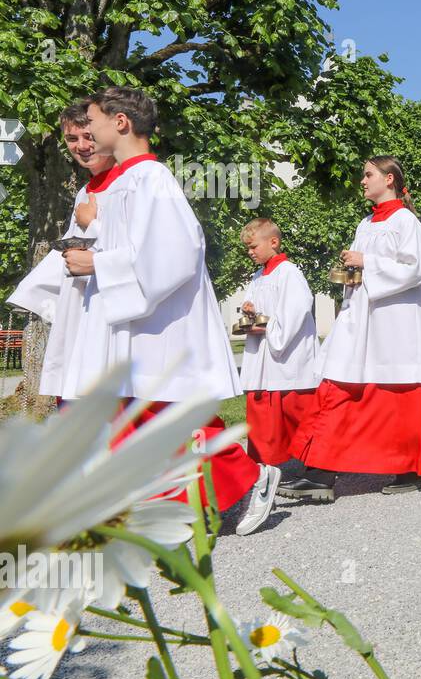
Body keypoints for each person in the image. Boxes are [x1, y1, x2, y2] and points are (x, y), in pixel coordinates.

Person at [65, 87, 277, 535]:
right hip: (128, 323)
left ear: (120, 123)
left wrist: (98, 261)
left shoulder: (151, 179)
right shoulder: (122, 181)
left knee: (165, 416)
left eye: (94, 121)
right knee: (134, 421)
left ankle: (250, 478)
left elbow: (177, 255)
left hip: (160, 326)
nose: (88, 130)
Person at [282, 157, 421, 501]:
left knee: (399, 401)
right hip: (360, 322)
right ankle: (320, 472)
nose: (363, 181)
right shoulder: (365, 223)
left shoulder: (406, 222)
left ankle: (413, 470)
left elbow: (418, 267)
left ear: (390, 179)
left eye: (369, 175)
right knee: (337, 390)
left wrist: (367, 262)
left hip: (396, 329)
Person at [7, 102, 115, 402]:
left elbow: (142, 251)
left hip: (112, 321)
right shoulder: (85, 191)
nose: (81, 146)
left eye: (88, 136)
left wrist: (92, 223)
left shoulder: (129, 182)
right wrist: (32, 293)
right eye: (72, 139)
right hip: (81, 311)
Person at [237, 219, 320, 475]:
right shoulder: (257, 277)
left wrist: (272, 329)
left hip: (288, 355)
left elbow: (296, 310)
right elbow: (253, 305)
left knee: (296, 411)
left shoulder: (289, 273)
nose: (250, 252)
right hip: (264, 355)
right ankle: (263, 467)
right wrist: (249, 311)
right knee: (263, 411)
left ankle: (317, 466)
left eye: (253, 246)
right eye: (247, 248)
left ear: (273, 242)